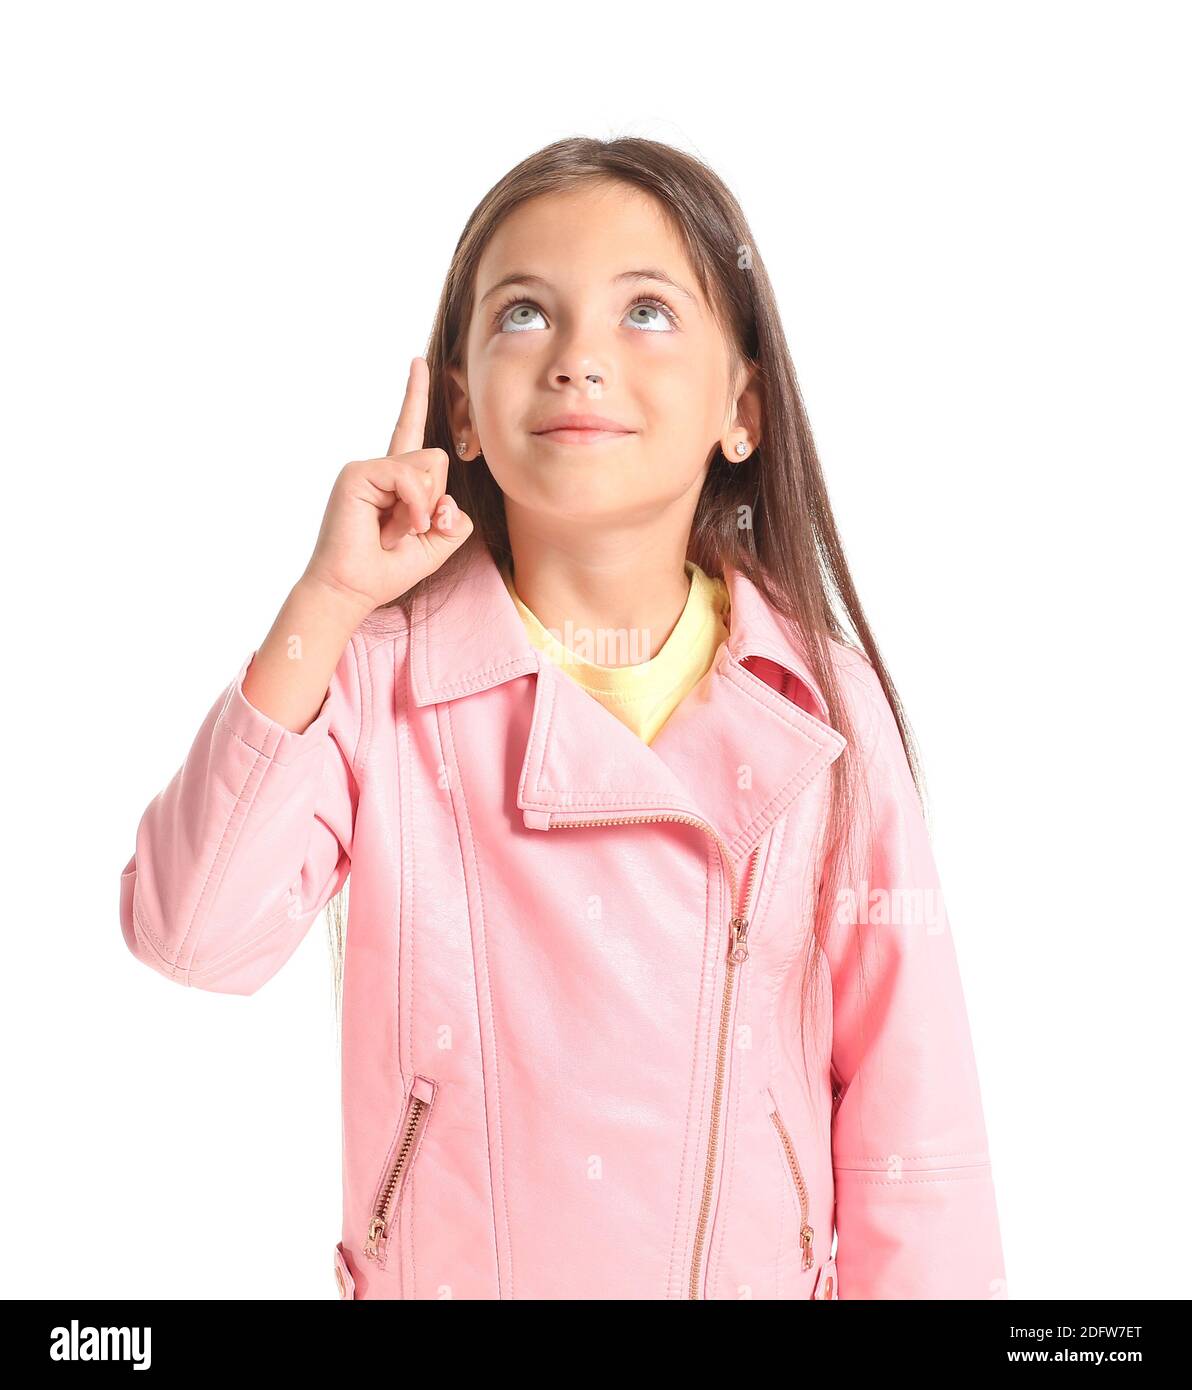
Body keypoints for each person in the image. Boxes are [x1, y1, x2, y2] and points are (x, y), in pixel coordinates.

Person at [119, 135, 1006, 1300]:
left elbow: (913, 1122)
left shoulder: (816, 708)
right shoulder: (378, 676)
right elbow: (192, 933)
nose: (580, 358)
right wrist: (325, 602)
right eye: (525, 313)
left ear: (741, 408)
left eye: (646, 313)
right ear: (462, 411)